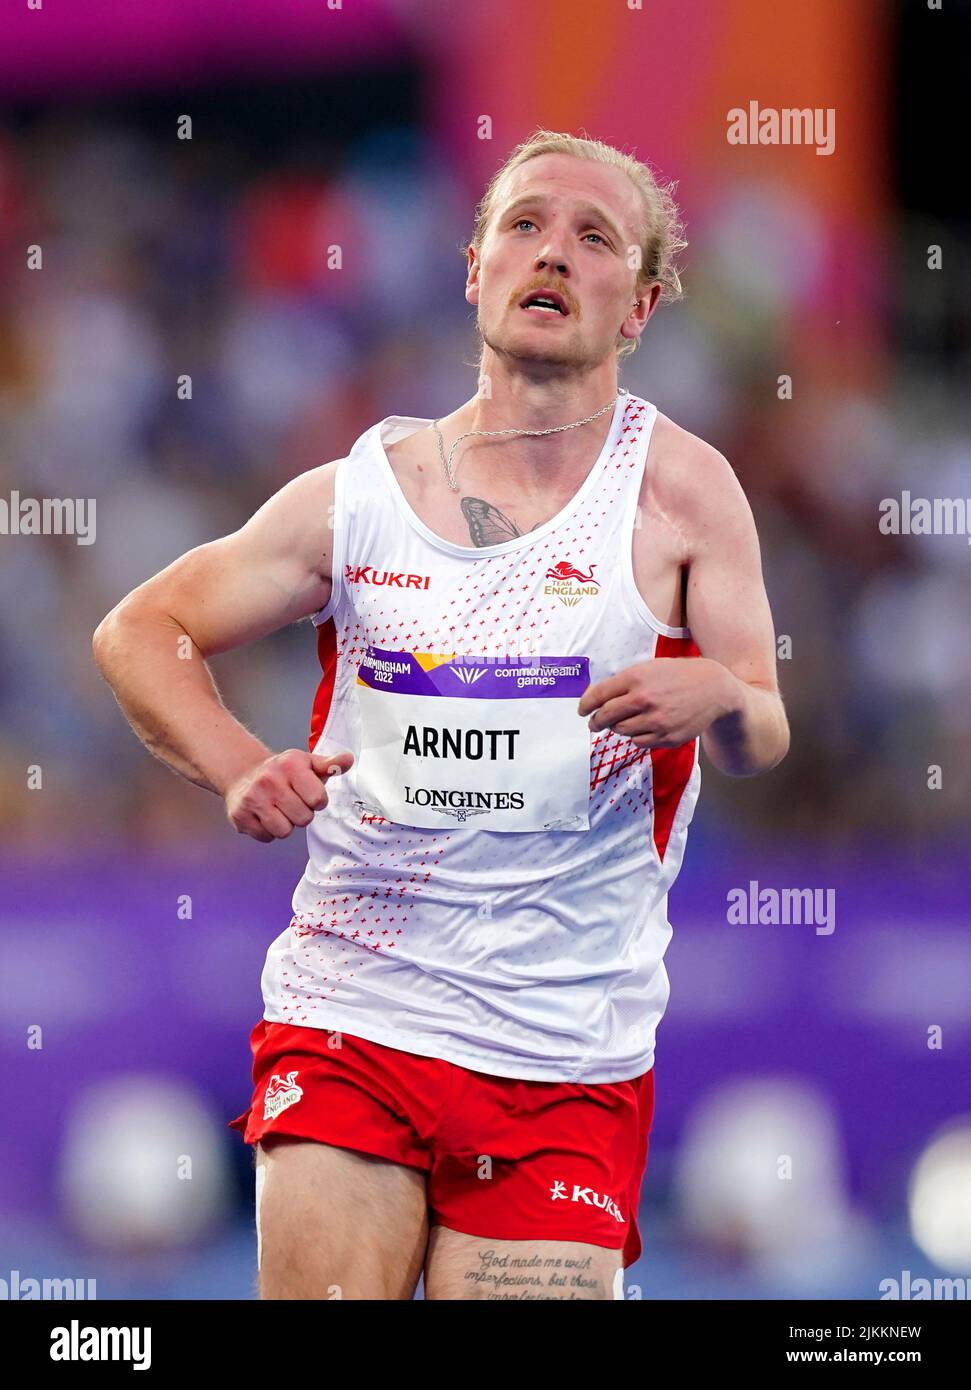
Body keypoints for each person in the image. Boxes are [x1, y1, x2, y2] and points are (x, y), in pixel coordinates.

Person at [92, 128, 789, 1301]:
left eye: (591, 236)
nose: (550, 253)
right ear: (473, 270)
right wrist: (233, 766)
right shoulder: (361, 494)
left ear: (641, 306)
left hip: (563, 1053)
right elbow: (138, 632)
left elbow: (762, 732)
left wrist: (718, 694)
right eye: (523, 225)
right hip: (353, 1011)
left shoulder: (681, 491)